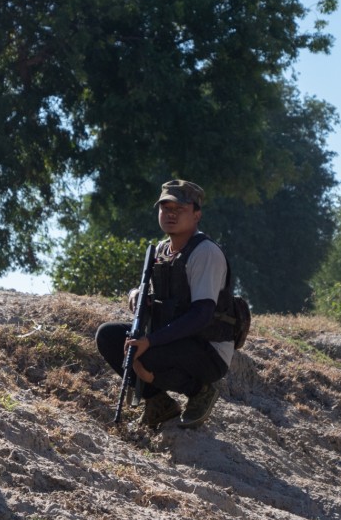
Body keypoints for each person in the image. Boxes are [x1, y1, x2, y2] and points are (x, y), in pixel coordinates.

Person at [94, 180, 238, 430]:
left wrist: (149, 342)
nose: (171, 214)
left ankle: (199, 391)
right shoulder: (161, 250)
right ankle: (158, 402)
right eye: (165, 208)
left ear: (196, 214)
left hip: (207, 350)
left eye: (179, 209)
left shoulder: (205, 253)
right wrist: (136, 293)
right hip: (172, 340)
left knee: (144, 352)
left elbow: (202, 315)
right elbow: (156, 295)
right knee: (108, 336)